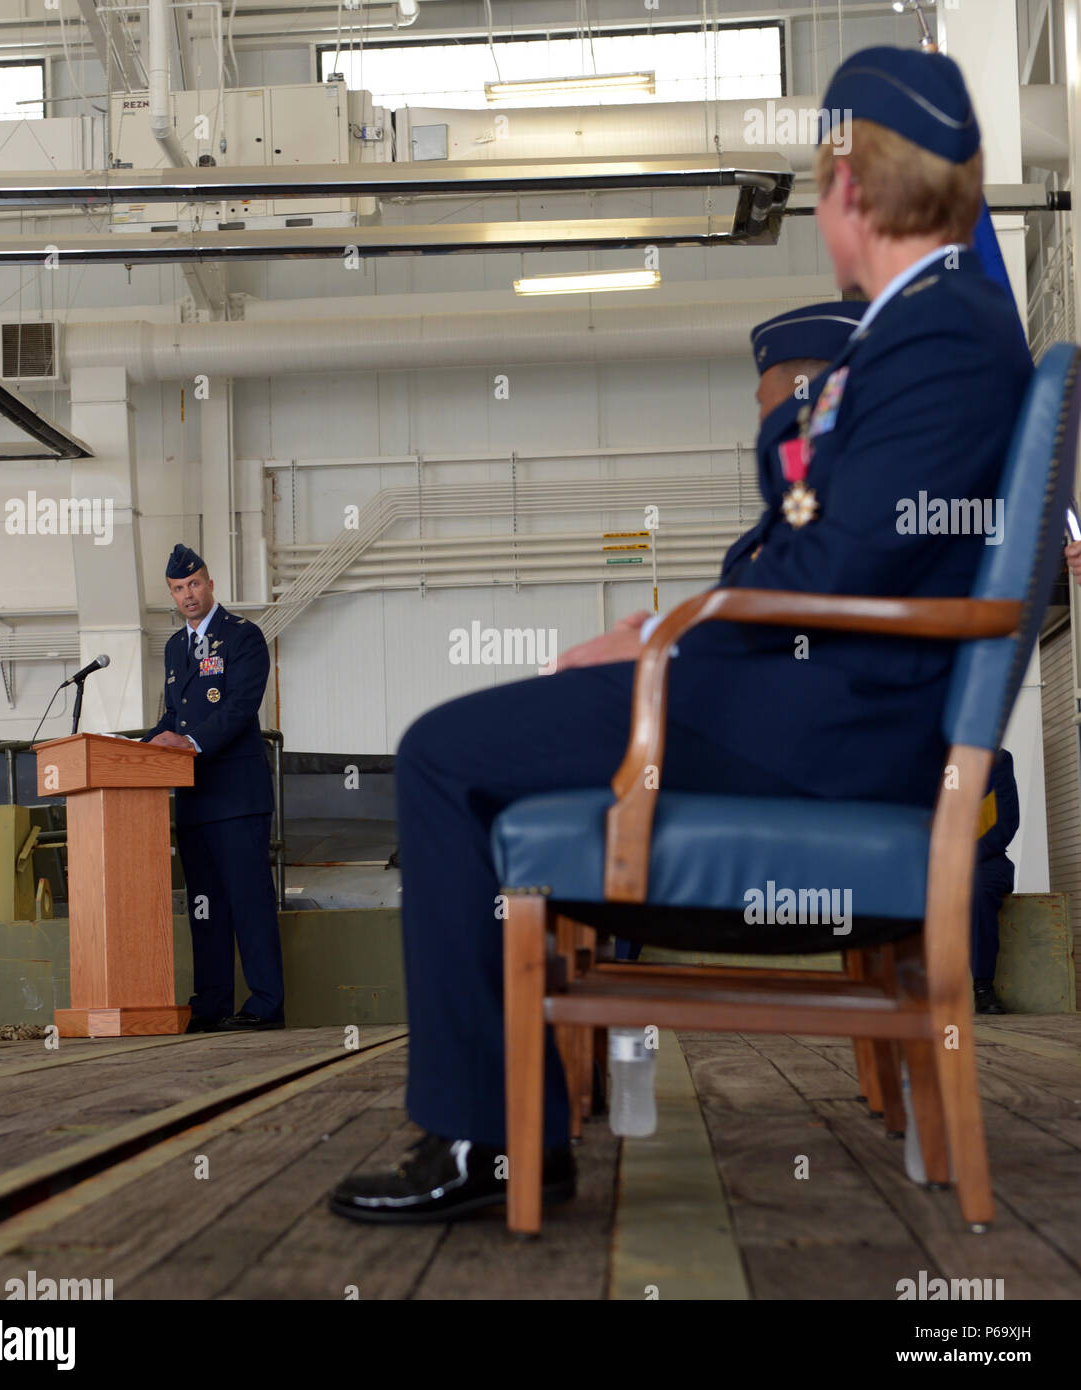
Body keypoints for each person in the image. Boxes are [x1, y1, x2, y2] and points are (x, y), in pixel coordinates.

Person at [330, 45, 1033, 1225]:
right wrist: (671, 621)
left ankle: (487, 1140)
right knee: (487, 756)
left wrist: (668, 644)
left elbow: (829, 567)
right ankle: (508, 1122)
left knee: (444, 757)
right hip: (813, 702)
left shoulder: (940, 337)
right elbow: (829, 545)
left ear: (847, 190)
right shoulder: (937, 325)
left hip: (808, 728)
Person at [612, 297, 868, 962]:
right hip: (767, 737)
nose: (757, 417)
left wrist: (652, 646)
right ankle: (596, 970)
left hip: (779, 757)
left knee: (458, 756)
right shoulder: (817, 508)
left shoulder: (839, 502)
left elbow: (776, 623)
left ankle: (570, 998)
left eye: (764, 402)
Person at [144, 543, 285, 1033]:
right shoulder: (173, 647)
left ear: (210, 583)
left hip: (236, 796)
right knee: (204, 907)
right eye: (178, 589)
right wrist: (147, 744)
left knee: (249, 903)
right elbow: (173, 716)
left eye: (194, 584)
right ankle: (212, 1003)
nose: (188, 595)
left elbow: (240, 707)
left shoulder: (243, 637)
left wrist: (189, 741)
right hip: (194, 799)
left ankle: (266, 1005)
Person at [973, 749, 1019, 1014]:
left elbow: (1006, 821)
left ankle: (982, 986)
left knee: (979, 891)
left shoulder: (997, 760)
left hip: (985, 858)